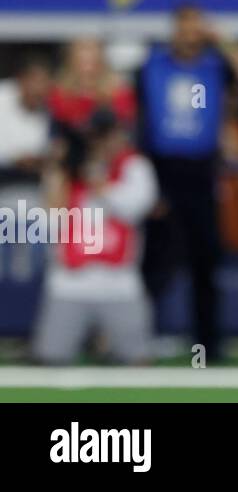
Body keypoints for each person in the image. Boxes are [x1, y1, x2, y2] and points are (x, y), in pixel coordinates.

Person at [137, 4, 238, 364]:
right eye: (184, 26)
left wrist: (222, 39)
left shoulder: (216, 65)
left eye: (196, 27)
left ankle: (208, 345)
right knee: (154, 262)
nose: (189, 33)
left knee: (205, 263)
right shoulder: (151, 64)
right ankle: (137, 341)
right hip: (160, 171)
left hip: (202, 171)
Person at [31, 110, 158, 365]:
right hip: (70, 282)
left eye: (103, 136)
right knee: (50, 358)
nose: (98, 143)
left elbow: (134, 207)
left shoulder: (135, 167)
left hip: (120, 282)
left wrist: (98, 180)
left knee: (137, 360)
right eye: (92, 137)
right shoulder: (68, 171)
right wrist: (59, 172)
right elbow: (48, 220)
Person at [0, 56, 53, 282]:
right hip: (4, 194)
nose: (38, 90)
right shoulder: (3, 98)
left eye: (44, 83)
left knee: (33, 271)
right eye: (34, 82)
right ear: (21, 81)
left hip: (37, 201)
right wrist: (18, 159)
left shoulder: (52, 108)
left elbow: (54, 156)